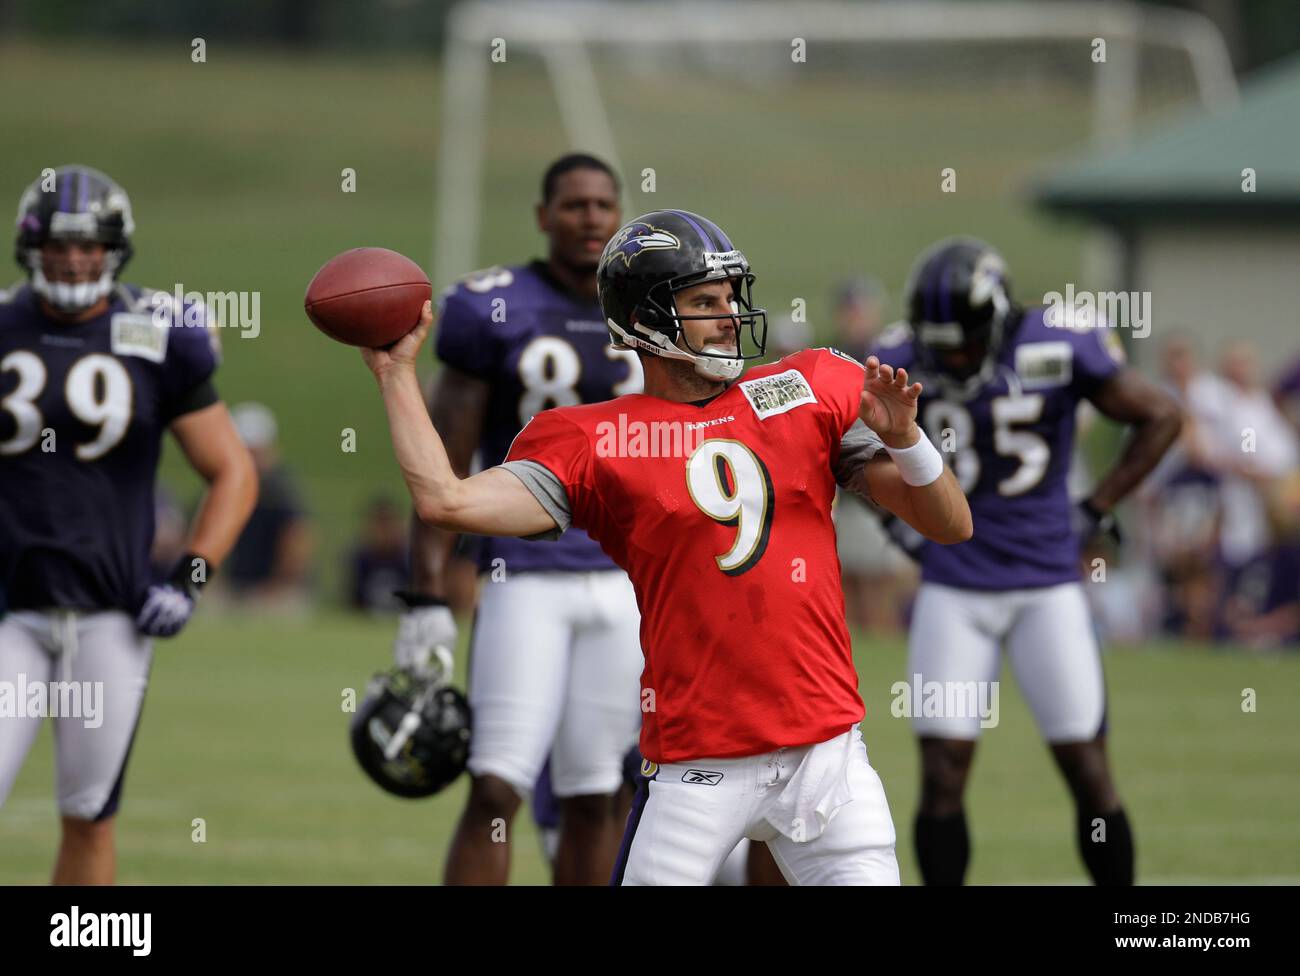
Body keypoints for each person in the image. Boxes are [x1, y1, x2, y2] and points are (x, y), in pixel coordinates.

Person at [365, 209, 972, 885]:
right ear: (646, 319)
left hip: (826, 755)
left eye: (730, 298)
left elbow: (949, 525)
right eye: (704, 302)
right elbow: (445, 501)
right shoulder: (592, 437)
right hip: (698, 766)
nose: (728, 316)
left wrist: (908, 441)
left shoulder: (808, 387)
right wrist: (395, 375)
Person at [873, 237, 1182, 886]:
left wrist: (1096, 505)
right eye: (942, 344)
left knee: (1088, 768)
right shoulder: (901, 353)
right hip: (954, 586)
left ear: (998, 318)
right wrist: (895, 523)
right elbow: (843, 446)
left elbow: (1161, 416)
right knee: (942, 773)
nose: (953, 357)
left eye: (965, 342)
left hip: (1048, 585)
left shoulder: (1059, 341)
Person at [0, 165, 257, 884]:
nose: (76, 259)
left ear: (116, 249)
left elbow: (232, 471)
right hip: (9, 612)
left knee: (90, 810)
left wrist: (191, 577)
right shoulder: (4, 325)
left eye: (90, 245)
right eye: (60, 244)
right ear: (31, 247)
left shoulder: (157, 331)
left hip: (113, 614)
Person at [395, 154, 646, 884]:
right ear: (543, 216)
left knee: (598, 790)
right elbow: (447, 454)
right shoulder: (491, 304)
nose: (591, 217)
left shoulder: (648, 304)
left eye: (604, 204)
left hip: (626, 575)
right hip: (526, 569)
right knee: (498, 785)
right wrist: (427, 592)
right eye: (573, 205)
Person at [223, 401, 314, 610]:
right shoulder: (228, 484)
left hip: (276, 591)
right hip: (237, 588)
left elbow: (297, 540)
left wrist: (276, 586)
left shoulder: (281, 489)